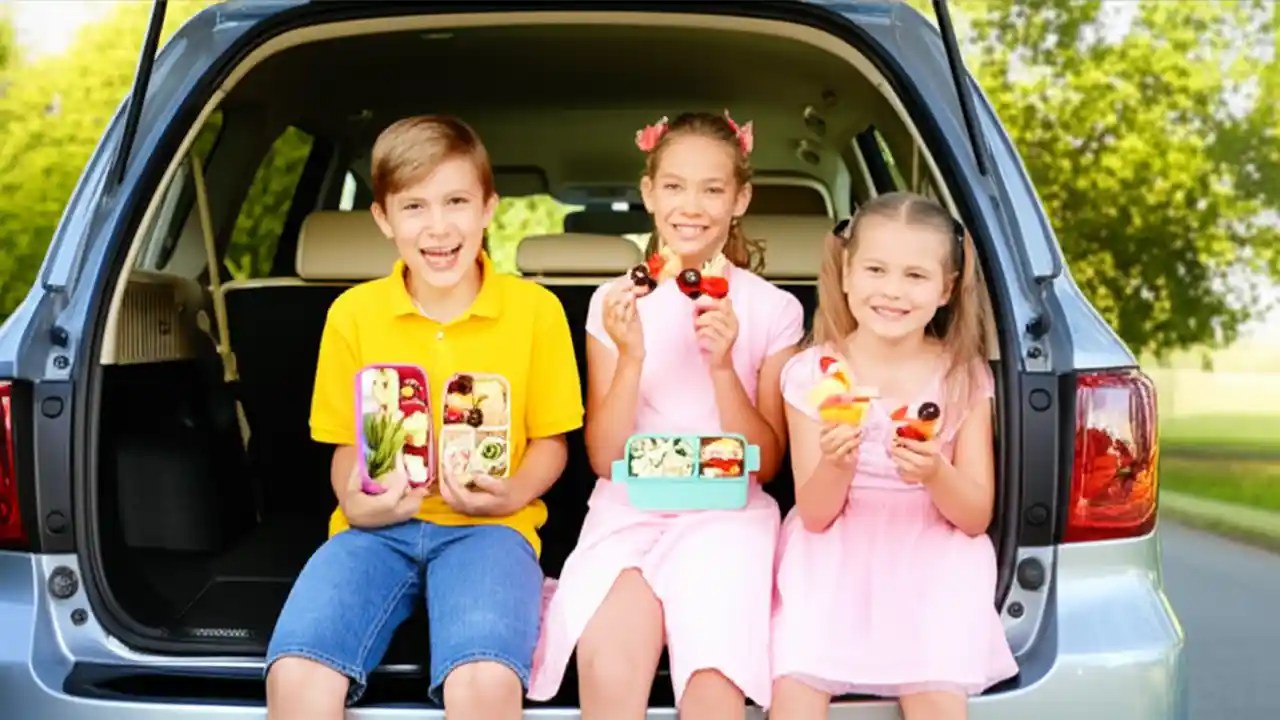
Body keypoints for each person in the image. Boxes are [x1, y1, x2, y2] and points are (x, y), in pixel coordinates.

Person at [264, 115, 584, 720]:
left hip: (491, 529)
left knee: (485, 682)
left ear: (489, 207)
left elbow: (552, 442)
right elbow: (343, 446)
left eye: (457, 201)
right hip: (370, 533)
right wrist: (355, 501)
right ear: (384, 219)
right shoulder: (352, 315)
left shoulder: (535, 312)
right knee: (295, 674)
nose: (438, 227)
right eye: (414, 207)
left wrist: (508, 493)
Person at [527, 111, 805, 719]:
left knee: (713, 679)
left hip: (728, 516)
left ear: (740, 199)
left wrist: (723, 365)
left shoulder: (772, 309)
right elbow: (604, 457)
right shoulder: (612, 302)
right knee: (607, 665)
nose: (693, 205)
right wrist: (630, 357)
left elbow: (769, 462)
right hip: (629, 510)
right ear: (649, 193)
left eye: (713, 189)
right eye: (675, 186)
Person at [768, 191, 1019, 720]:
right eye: (876, 270)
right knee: (795, 695)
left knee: (935, 700)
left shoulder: (961, 378)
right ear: (846, 274)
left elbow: (975, 516)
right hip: (832, 557)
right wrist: (837, 463)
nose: (892, 291)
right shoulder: (814, 373)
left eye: (915, 276)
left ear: (947, 289)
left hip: (932, 560)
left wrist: (935, 473)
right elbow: (815, 514)